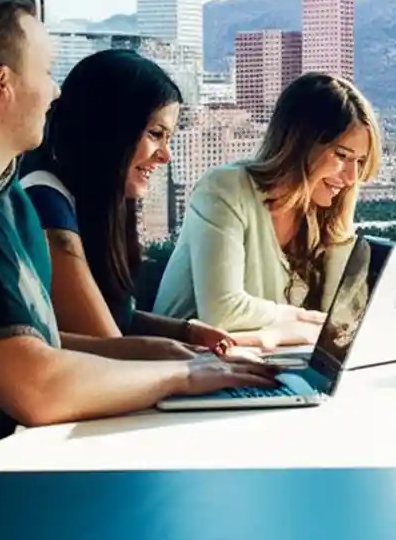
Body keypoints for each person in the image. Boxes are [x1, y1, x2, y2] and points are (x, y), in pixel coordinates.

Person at [0, 0, 279, 471]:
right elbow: (35, 384)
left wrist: (160, 353)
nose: (55, 91)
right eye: (45, 71)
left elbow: (16, 346)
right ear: (2, 83)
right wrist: (183, 377)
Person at [20, 50, 231, 352]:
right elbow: (109, 347)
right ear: (110, 130)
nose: (165, 155)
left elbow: (118, 317)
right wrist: (190, 361)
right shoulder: (45, 203)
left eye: (168, 138)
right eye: (156, 134)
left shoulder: (89, 199)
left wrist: (189, 332)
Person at [154, 73, 382, 343]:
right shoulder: (225, 189)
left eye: (360, 162)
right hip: (187, 360)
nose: (351, 177)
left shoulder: (323, 212)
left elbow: (338, 327)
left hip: (267, 362)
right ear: (299, 143)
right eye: (342, 155)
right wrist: (300, 319)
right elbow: (221, 314)